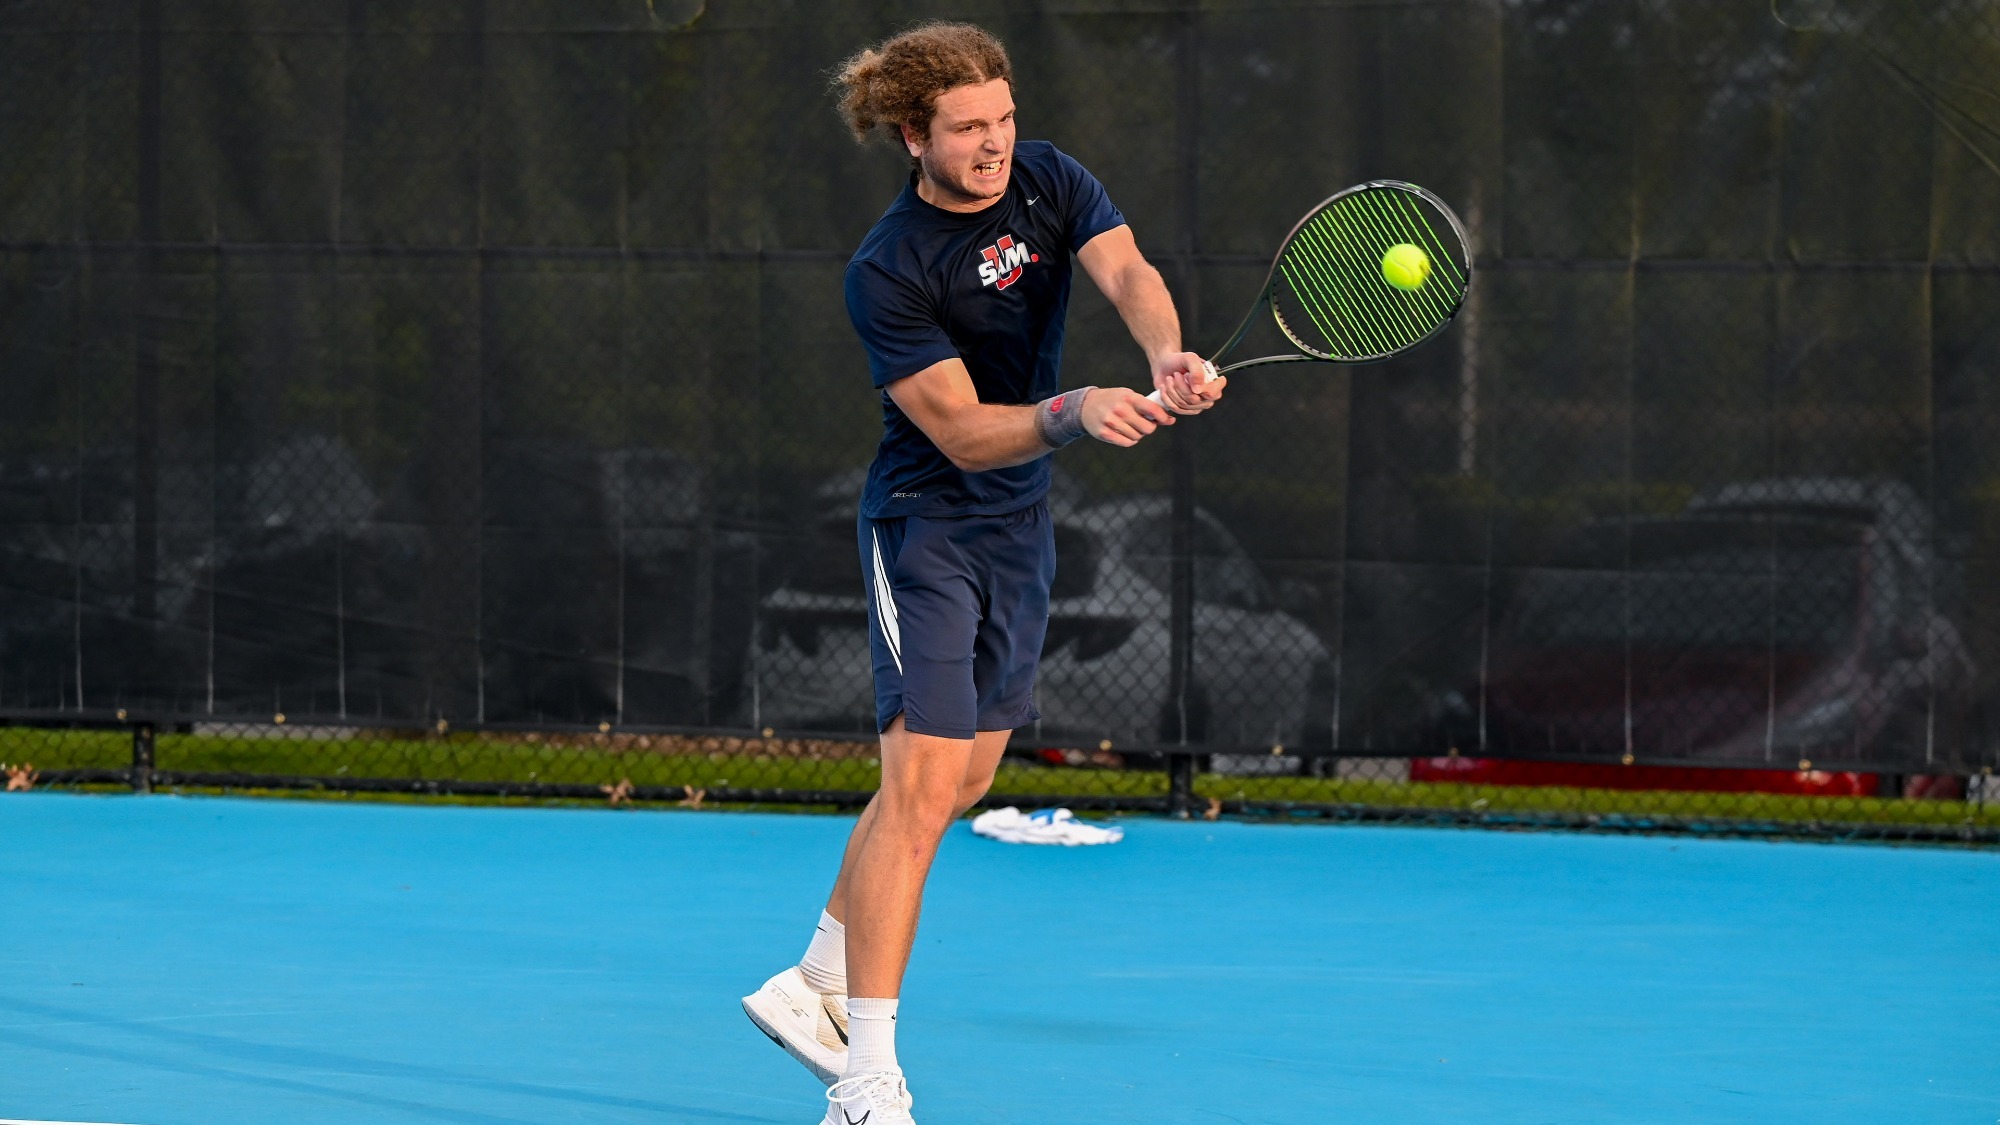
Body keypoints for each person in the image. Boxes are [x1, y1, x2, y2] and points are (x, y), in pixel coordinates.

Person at [741, 21, 1225, 1123]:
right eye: (967, 129)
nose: (994, 143)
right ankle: (864, 1077)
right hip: (926, 528)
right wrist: (1076, 411)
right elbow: (960, 432)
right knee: (917, 790)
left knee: (961, 783)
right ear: (913, 135)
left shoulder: (1049, 180)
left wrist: (1161, 356)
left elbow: (1129, 272)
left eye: (1002, 120)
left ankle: (812, 972)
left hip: (1019, 529)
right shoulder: (888, 267)